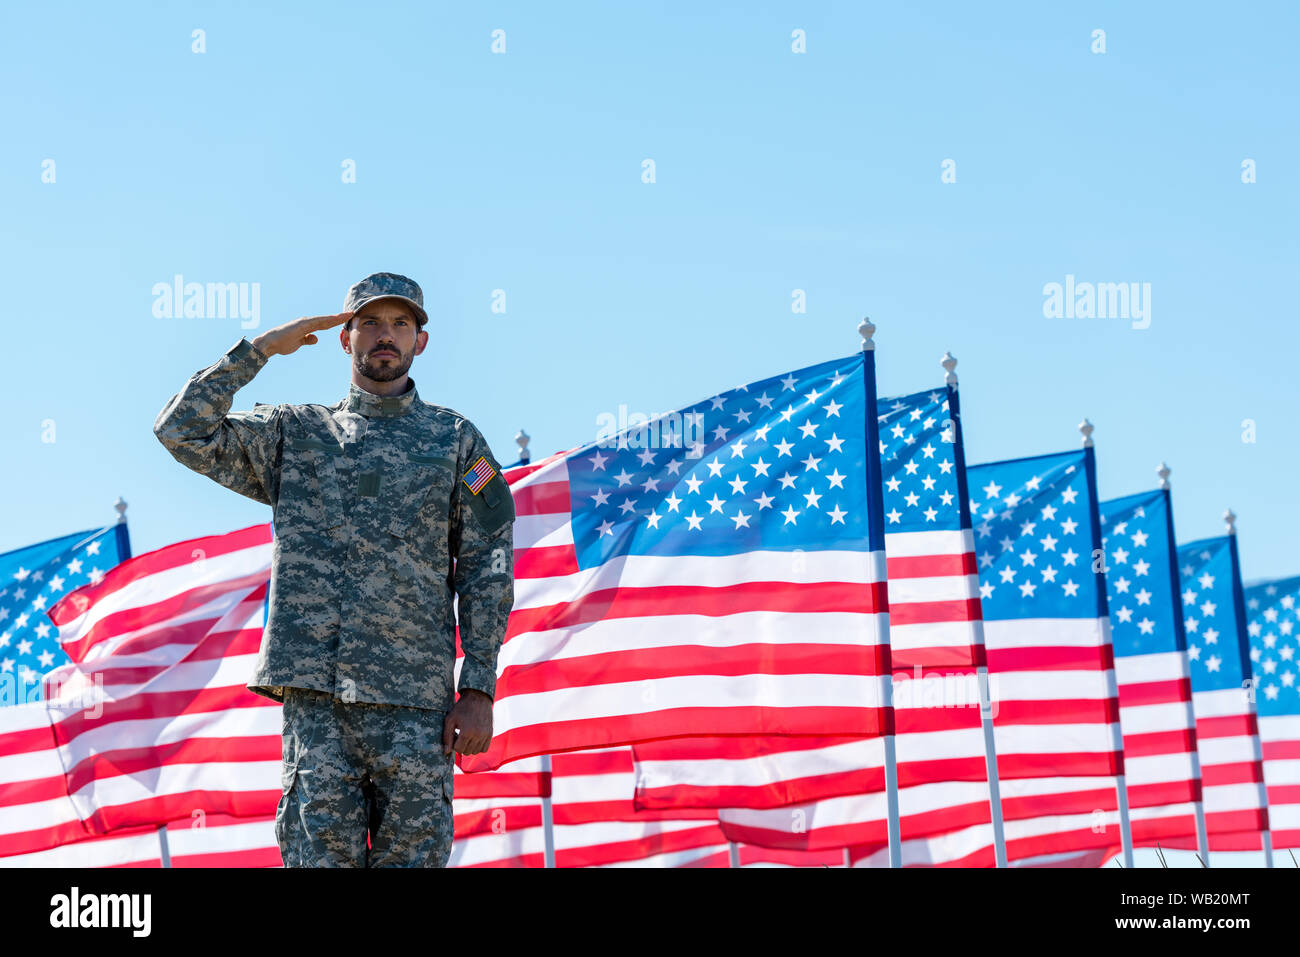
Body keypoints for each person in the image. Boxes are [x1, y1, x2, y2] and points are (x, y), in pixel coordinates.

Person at [152, 271, 515, 867]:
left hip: (416, 708)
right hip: (318, 705)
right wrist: (261, 350)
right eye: (371, 323)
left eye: (401, 324)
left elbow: (487, 567)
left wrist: (478, 688)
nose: (385, 337)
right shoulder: (295, 433)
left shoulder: (455, 442)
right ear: (345, 337)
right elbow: (181, 430)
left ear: (421, 342)